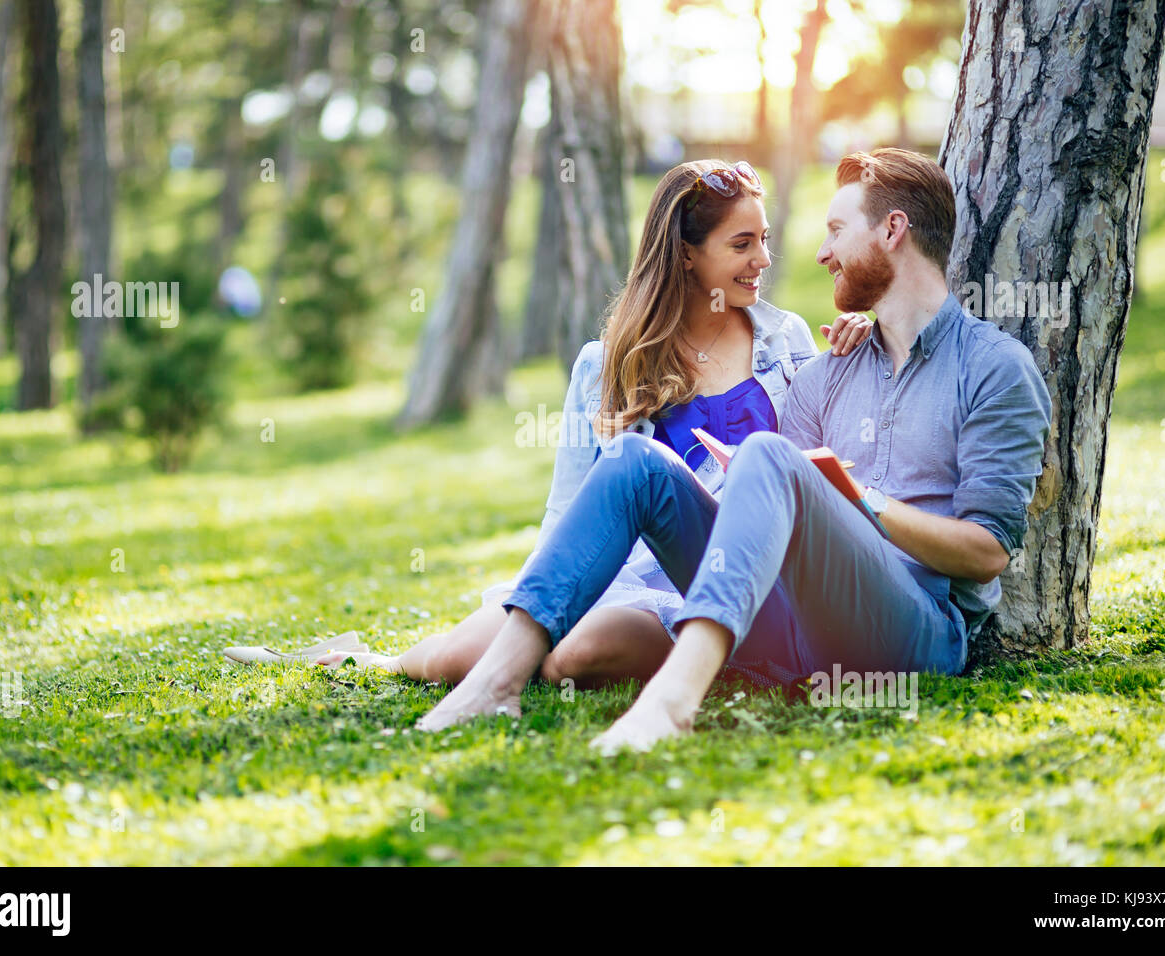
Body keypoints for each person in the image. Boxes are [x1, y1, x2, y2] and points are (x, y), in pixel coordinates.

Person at [414, 147, 1053, 755]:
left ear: (892, 231)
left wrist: (860, 498)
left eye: (835, 230)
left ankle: (672, 702)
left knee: (767, 455)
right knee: (636, 461)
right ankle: (496, 684)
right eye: (747, 243)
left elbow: (988, 554)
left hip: (911, 635)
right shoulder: (826, 373)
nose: (820, 253)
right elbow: (779, 516)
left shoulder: (994, 369)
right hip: (788, 631)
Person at [225, 159, 871, 687]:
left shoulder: (785, 341)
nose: (764, 259)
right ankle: (365, 659)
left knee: (574, 658)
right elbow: (569, 509)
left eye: (764, 239)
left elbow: (825, 470)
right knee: (456, 659)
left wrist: (861, 349)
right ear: (685, 255)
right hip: (624, 575)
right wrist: (539, 595)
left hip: (722, 577)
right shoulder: (607, 364)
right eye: (742, 244)